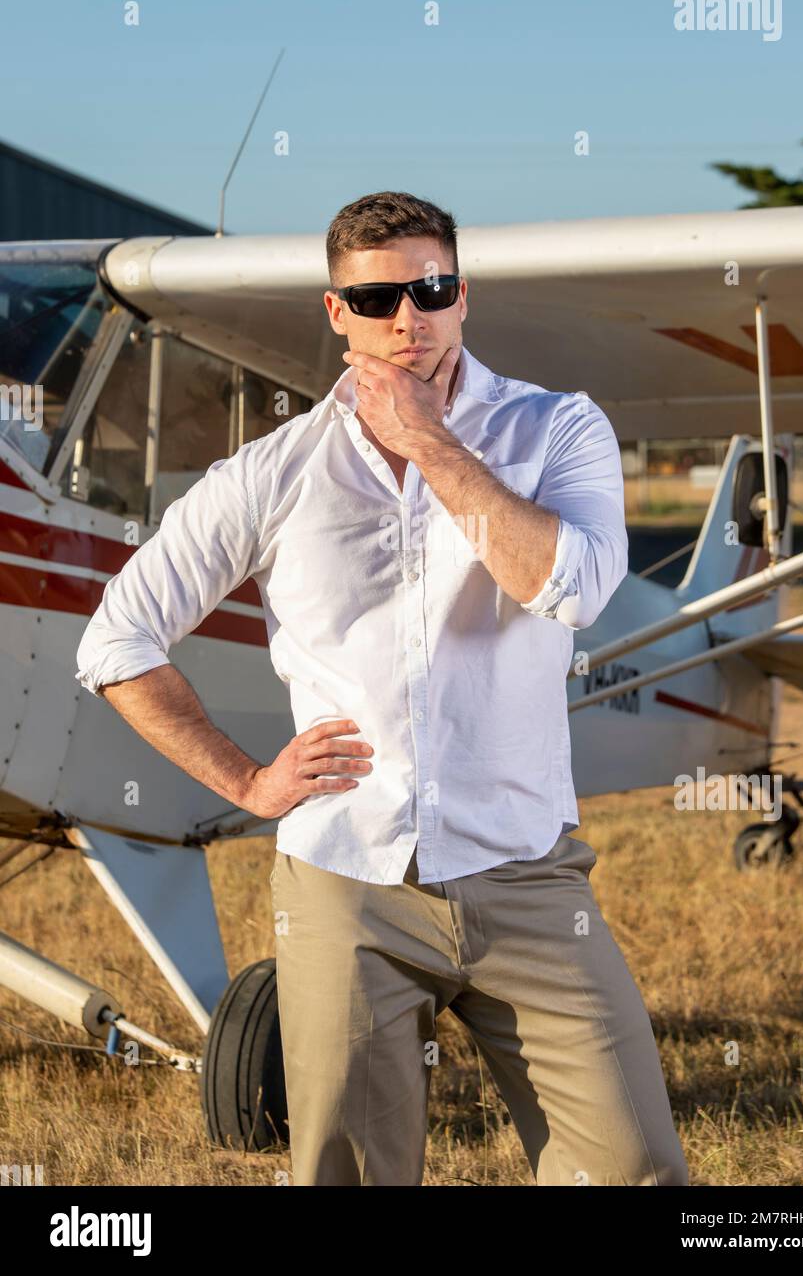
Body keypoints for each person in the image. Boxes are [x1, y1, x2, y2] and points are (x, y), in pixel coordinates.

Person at [75, 190, 688, 1188]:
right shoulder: (269, 473)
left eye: (431, 288)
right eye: (377, 298)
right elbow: (116, 640)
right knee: (345, 1175)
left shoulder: (556, 428)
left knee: (636, 1165)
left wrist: (430, 446)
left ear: (461, 297)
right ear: (335, 314)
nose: (408, 317)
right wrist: (247, 781)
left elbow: (567, 589)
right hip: (344, 884)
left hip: (526, 874)